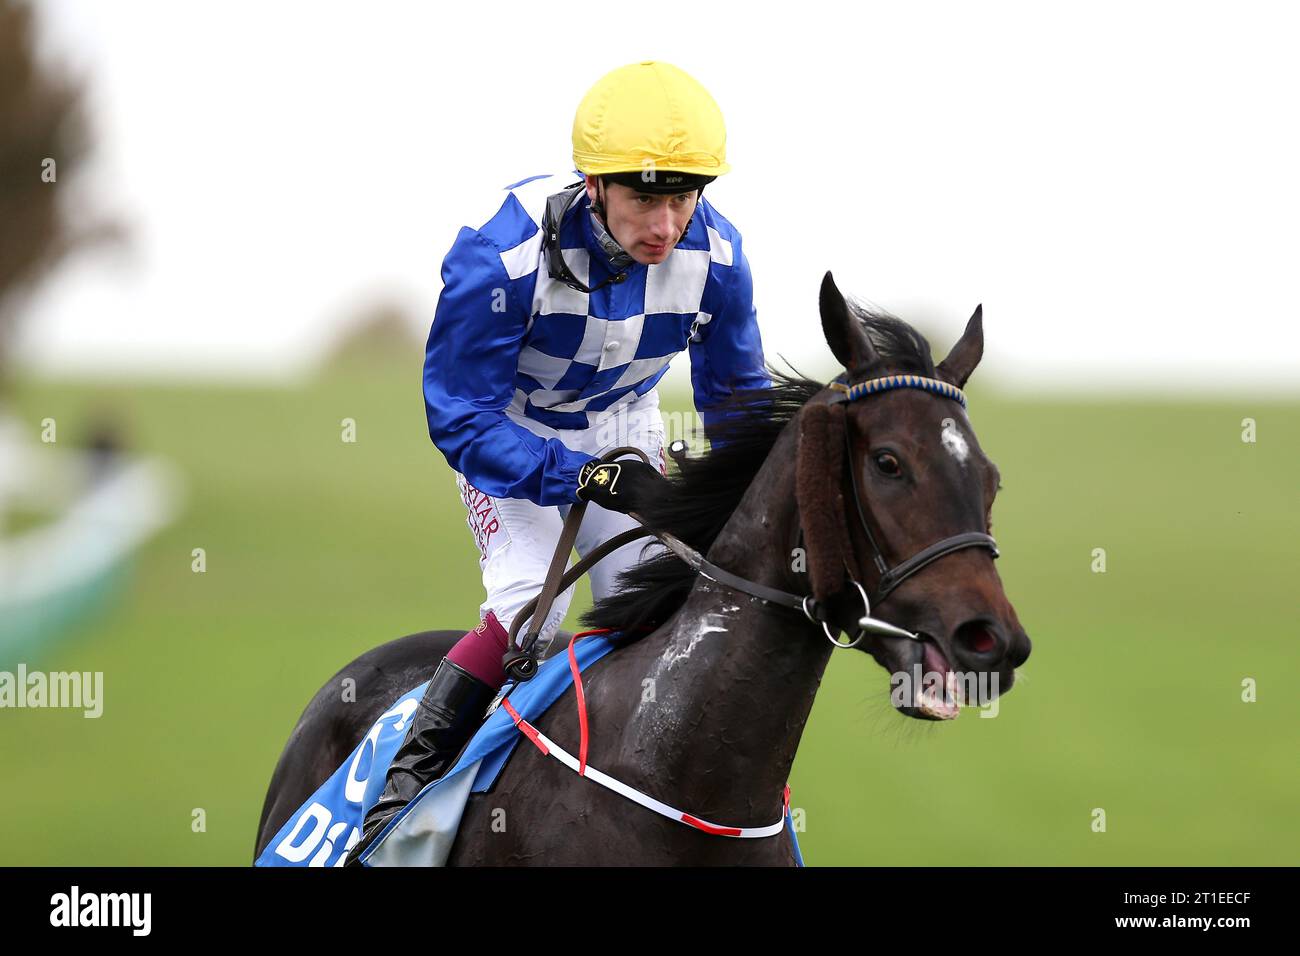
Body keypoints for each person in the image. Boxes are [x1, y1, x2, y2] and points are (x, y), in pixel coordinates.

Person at [346, 60, 769, 865]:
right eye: (646, 198)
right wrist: (575, 475)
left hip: (625, 422)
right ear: (593, 184)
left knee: (674, 617)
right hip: (507, 430)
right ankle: (403, 802)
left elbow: (737, 405)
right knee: (526, 619)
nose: (667, 225)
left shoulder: (720, 258)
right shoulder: (499, 255)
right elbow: (460, 416)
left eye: (685, 197)